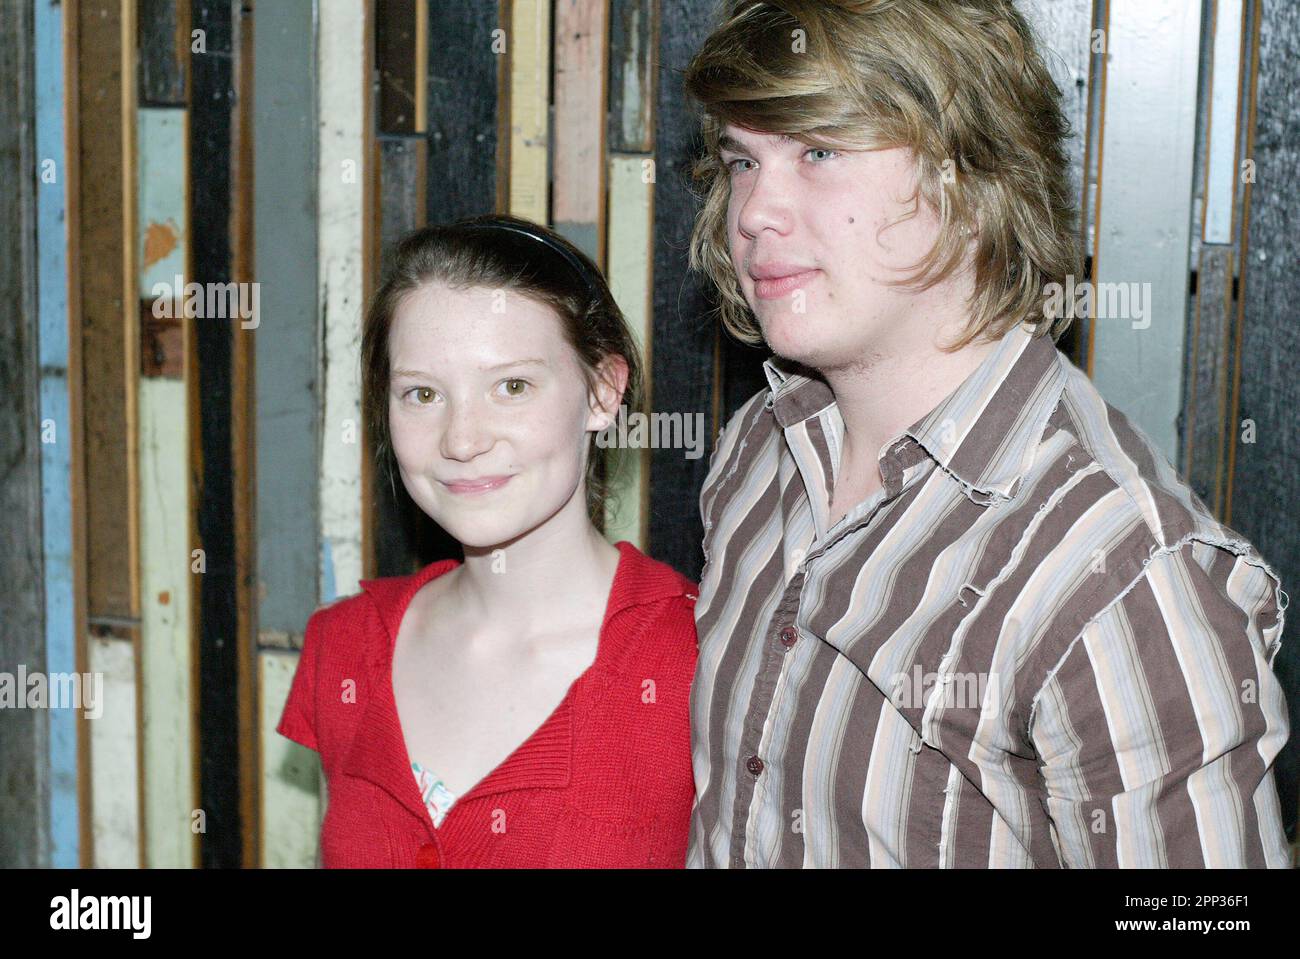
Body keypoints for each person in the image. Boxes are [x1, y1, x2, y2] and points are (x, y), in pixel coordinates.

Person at [682, 0, 1289, 867]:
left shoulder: (1116, 572)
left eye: (818, 152)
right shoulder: (758, 450)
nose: (754, 213)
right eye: (743, 161)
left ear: (971, 178)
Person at [277, 214, 698, 868]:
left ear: (602, 391)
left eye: (512, 386)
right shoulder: (345, 646)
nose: (462, 439)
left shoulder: (703, 656)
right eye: (421, 393)